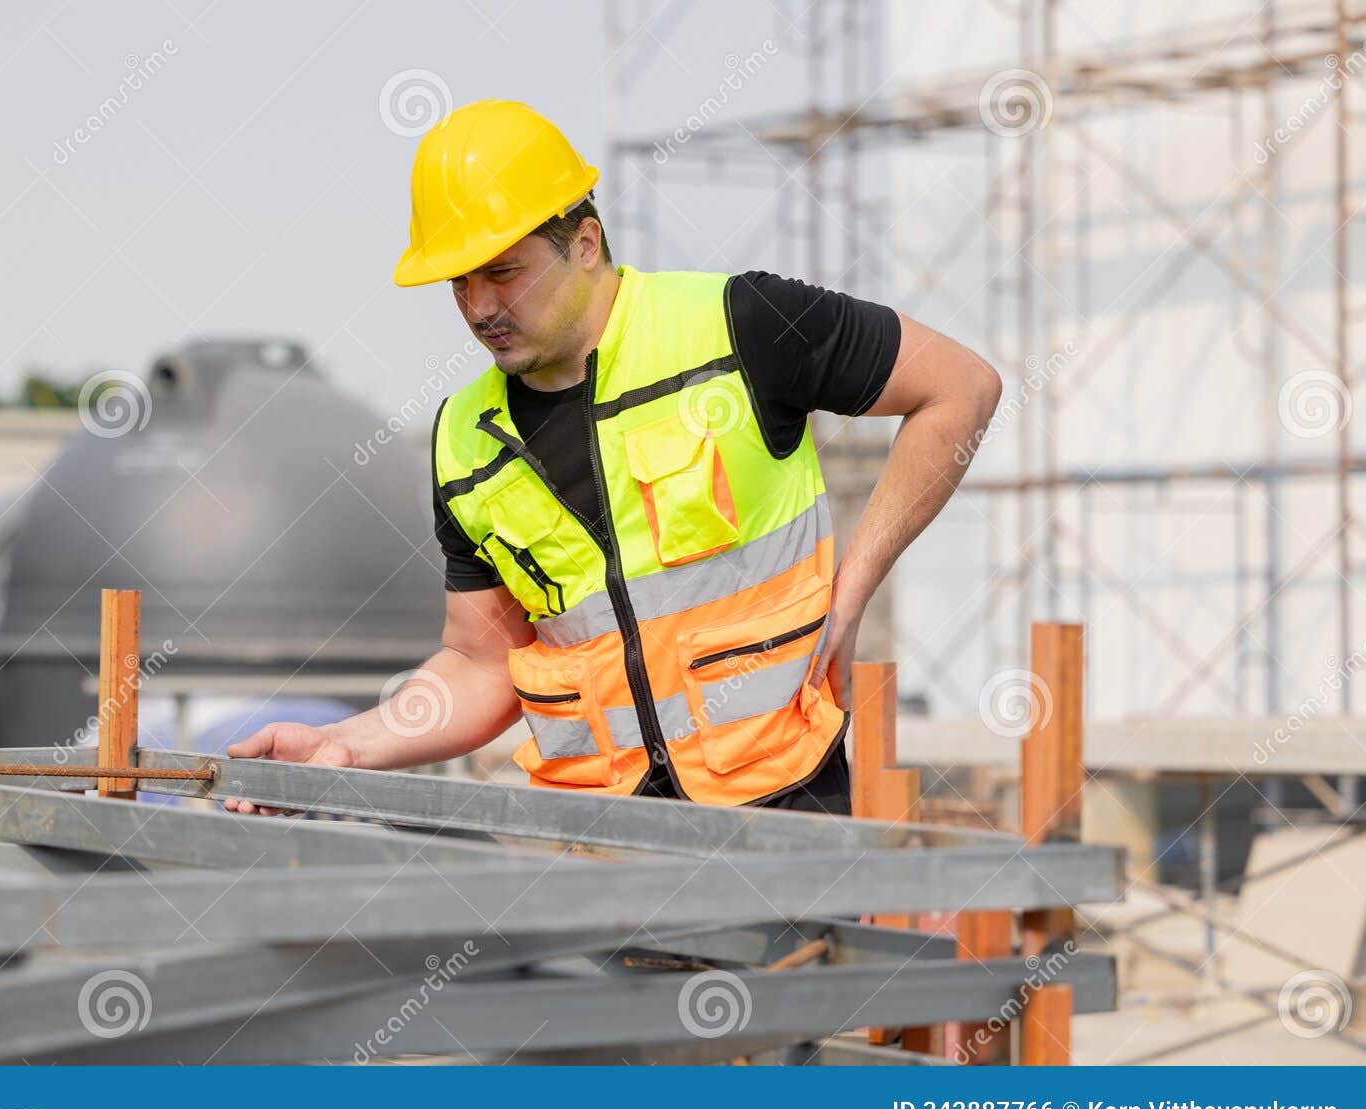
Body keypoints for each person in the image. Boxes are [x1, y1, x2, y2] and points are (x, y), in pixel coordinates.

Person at [226, 99, 999, 816]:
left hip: (784, 818)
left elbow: (960, 388)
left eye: (503, 270)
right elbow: (481, 663)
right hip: (599, 846)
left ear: (585, 241)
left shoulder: (738, 327)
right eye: (459, 282)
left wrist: (853, 588)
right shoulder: (464, 436)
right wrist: (343, 745)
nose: (480, 307)